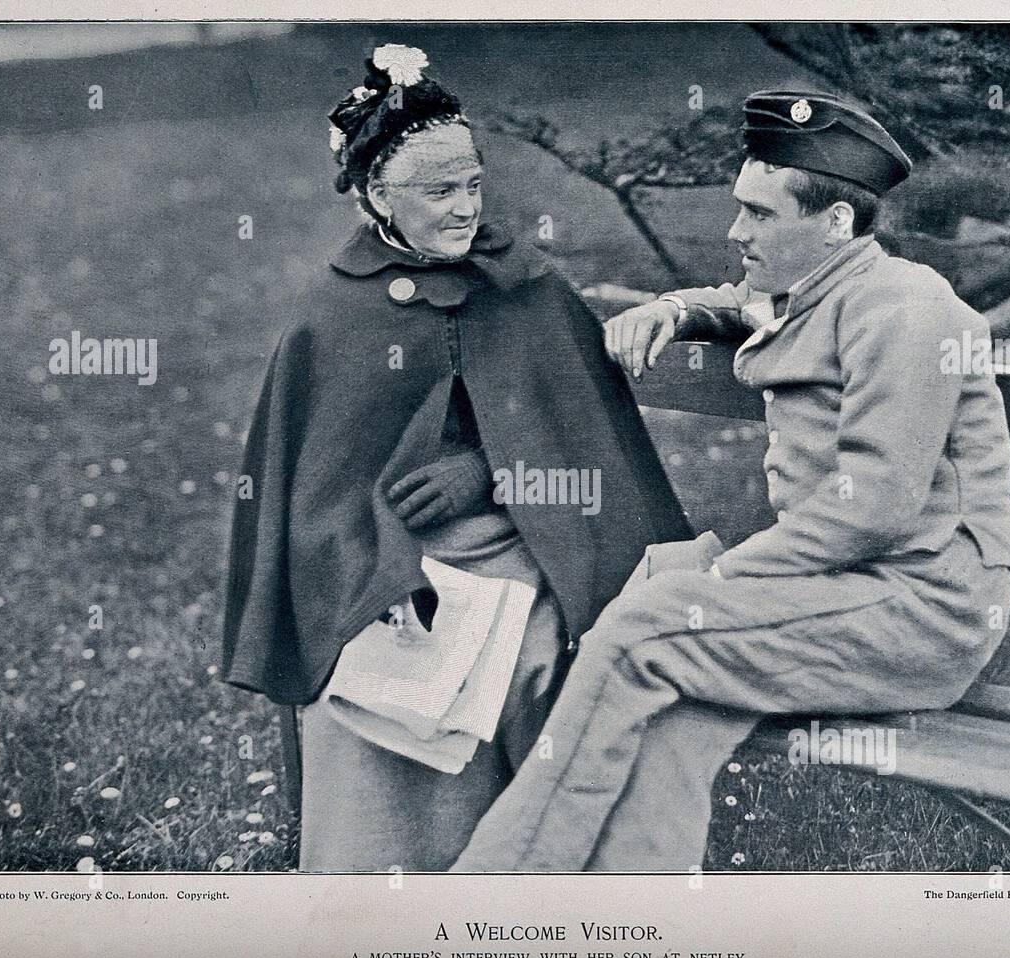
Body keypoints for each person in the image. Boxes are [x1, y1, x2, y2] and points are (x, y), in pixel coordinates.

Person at [450, 89, 1010, 872]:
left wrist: (721, 577)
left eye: (759, 214)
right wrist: (678, 307)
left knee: (643, 631)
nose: (734, 231)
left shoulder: (906, 310)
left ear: (836, 224)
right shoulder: (823, 286)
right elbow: (750, 307)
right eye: (739, 208)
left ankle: (493, 894)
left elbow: (876, 508)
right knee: (670, 707)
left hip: (925, 609)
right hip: (845, 590)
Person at [219, 45, 690, 872]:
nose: (465, 206)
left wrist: (487, 471)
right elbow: (313, 496)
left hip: (528, 542)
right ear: (374, 197)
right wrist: (383, 576)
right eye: (438, 191)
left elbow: (578, 439)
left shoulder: (525, 287)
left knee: (536, 657)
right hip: (391, 558)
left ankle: (534, 881)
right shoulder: (333, 318)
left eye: (473, 183)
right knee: (364, 686)